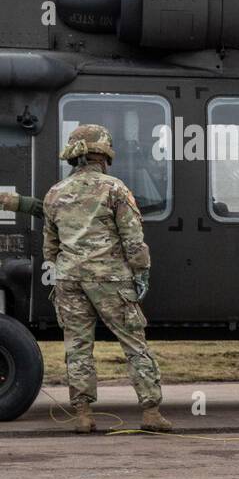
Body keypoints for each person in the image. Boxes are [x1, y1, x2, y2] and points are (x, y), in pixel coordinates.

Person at [43, 124, 172, 434]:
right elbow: (133, 239)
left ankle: (83, 414)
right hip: (111, 279)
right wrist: (141, 272)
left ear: (74, 156)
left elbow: (50, 246)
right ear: (104, 154)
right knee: (133, 343)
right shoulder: (114, 189)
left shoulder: (55, 193)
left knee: (77, 347)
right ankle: (151, 411)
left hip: (69, 279)